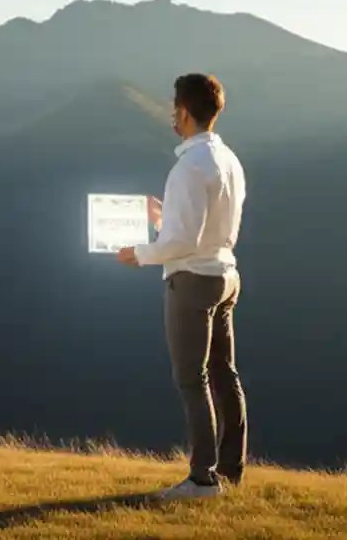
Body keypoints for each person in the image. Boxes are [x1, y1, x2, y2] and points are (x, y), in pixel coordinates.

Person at [117, 73, 248, 501]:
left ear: (185, 112)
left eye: (175, 110)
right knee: (224, 375)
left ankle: (202, 479)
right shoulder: (228, 159)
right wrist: (164, 217)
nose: (174, 117)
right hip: (225, 275)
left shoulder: (188, 166)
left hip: (192, 281)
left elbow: (182, 242)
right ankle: (230, 469)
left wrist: (140, 252)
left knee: (191, 379)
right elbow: (204, 226)